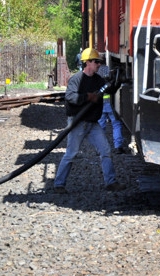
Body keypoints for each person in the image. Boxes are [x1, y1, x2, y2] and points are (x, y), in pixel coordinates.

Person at [53, 47, 125, 193]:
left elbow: (109, 90)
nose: (99, 64)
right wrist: (87, 97)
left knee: (105, 150)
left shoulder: (98, 80)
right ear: (87, 63)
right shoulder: (76, 79)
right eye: (96, 61)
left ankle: (110, 182)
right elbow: (70, 97)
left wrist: (117, 81)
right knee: (71, 154)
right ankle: (59, 184)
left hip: (92, 124)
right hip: (77, 123)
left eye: (99, 62)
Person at [97, 62, 127, 154]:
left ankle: (99, 148)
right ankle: (118, 147)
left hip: (100, 104)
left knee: (100, 126)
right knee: (116, 124)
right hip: (111, 103)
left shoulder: (96, 72)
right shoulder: (110, 70)